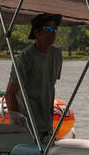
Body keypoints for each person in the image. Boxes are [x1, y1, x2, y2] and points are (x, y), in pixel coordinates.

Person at [5, 13, 63, 143]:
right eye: (48, 29)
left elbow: (51, 86)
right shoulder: (25, 57)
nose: (53, 33)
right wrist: (19, 127)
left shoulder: (57, 55)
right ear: (36, 32)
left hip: (46, 125)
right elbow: (9, 94)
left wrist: (50, 117)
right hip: (27, 123)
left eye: (55, 29)